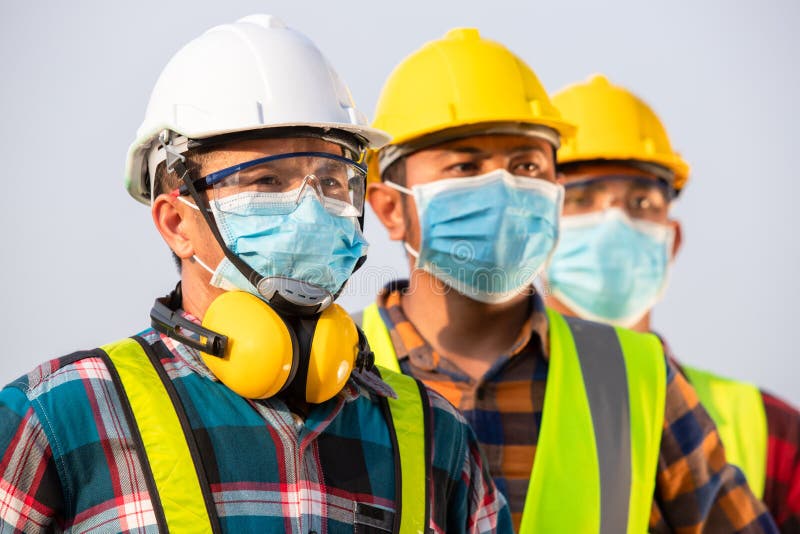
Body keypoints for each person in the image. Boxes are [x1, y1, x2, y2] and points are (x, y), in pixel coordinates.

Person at [0, 15, 511, 533]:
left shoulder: (435, 436)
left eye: (333, 181)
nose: (310, 208)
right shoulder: (57, 418)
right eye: (267, 181)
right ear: (176, 222)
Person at [360, 28, 778, 532]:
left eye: (527, 165)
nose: (506, 188)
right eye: (466, 167)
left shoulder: (638, 377)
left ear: (553, 196)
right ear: (390, 208)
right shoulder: (336, 370)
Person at [546, 73, 800, 533]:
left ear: (672, 240)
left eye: (642, 201)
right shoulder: (482, 407)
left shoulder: (773, 429)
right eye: (580, 199)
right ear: (536, 231)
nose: (614, 223)